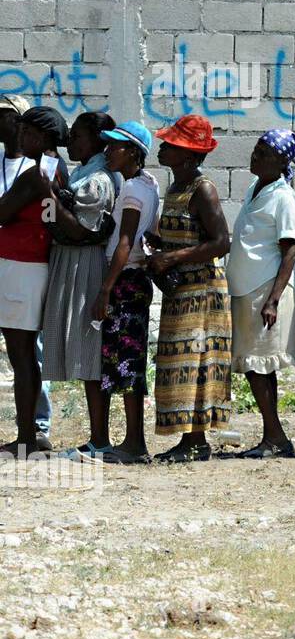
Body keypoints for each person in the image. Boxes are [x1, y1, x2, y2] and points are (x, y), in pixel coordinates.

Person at [149, 115, 232, 463]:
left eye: (170, 144)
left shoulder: (203, 189)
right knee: (178, 361)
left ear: (187, 154)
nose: (162, 148)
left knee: (195, 362)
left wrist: (173, 257)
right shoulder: (174, 188)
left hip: (202, 292)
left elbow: (221, 242)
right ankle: (189, 438)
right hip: (180, 290)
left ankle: (196, 440)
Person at [43, 112, 120, 459]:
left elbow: (79, 230)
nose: (70, 141)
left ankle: (99, 439)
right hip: (71, 261)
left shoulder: (99, 179)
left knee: (90, 353)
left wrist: (50, 198)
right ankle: (96, 438)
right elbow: (53, 220)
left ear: (96, 140)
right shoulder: (82, 173)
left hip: (84, 265)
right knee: (84, 352)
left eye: (77, 136)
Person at [228, 130, 295, 459]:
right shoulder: (255, 188)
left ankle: (275, 436)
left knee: (260, 367)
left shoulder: (283, 197)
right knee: (254, 366)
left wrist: (273, 300)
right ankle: (273, 434)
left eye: (263, 153)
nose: (255, 156)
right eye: (256, 150)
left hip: (266, 292)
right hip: (248, 290)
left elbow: (290, 251)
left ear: (282, 161)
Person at [0, 107, 68, 456]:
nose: (19, 138)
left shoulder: (34, 175)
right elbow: (51, 219)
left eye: (25, 132)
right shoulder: (52, 172)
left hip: (21, 268)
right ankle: (27, 434)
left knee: (22, 356)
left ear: (40, 138)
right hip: (30, 266)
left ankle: (26, 437)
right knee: (25, 355)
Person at [94, 122, 161, 463]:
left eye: (115, 147)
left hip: (125, 281)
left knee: (126, 362)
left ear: (134, 152)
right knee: (126, 361)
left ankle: (135, 443)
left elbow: (125, 241)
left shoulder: (134, 189)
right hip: (135, 280)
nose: (108, 151)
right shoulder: (148, 183)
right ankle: (133, 440)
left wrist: (105, 289)